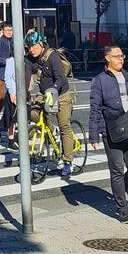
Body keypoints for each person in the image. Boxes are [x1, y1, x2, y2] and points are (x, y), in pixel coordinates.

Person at [88, 45, 128, 224]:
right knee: (116, 170)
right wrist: (93, 134)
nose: (121, 59)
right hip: (111, 131)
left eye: (122, 56)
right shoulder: (100, 80)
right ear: (107, 58)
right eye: (117, 56)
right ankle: (123, 209)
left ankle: (119, 190)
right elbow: (95, 109)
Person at [24, 30, 75, 178]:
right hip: (43, 92)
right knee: (33, 113)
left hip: (61, 93)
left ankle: (67, 162)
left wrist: (52, 92)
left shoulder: (52, 56)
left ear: (40, 44)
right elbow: (27, 75)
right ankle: (52, 131)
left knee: (64, 125)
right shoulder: (30, 58)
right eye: (28, 47)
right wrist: (24, 91)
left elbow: (60, 78)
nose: (31, 50)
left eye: (33, 46)